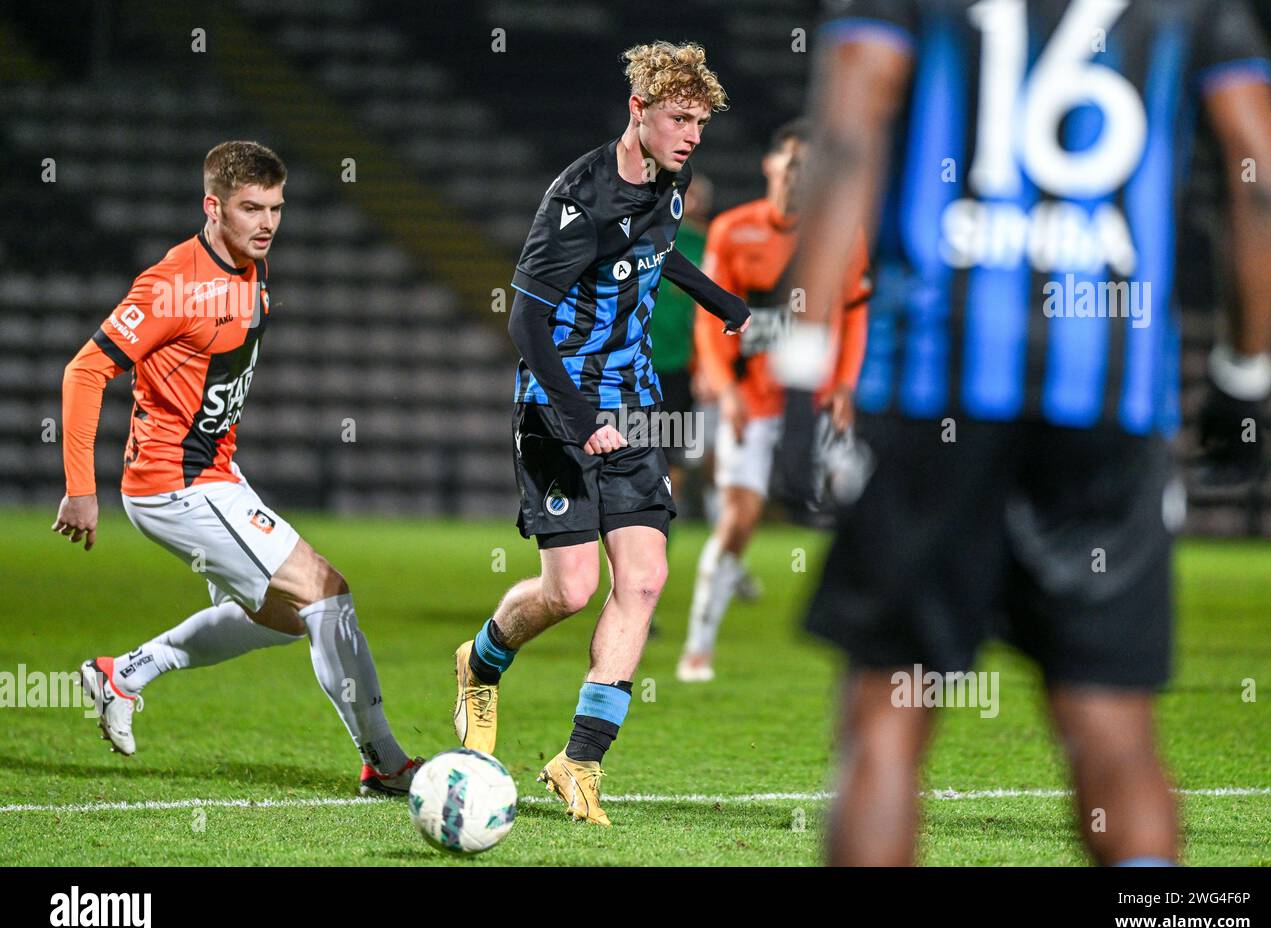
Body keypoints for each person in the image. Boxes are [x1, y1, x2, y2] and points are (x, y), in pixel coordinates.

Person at [783, 0, 1271, 865]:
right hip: (1109, 400)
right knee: (1112, 722)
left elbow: (846, 128)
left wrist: (801, 362)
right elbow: (1262, 177)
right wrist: (1243, 377)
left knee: (887, 713)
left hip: (934, 385)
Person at [54, 141, 421, 797]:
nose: (266, 223)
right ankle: (387, 763)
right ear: (211, 206)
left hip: (215, 472)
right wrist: (80, 491)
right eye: (250, 208)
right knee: (328, 596)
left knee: (284, 620)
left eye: (275, 208)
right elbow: (85, 370)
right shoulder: (172, 285)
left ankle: (123, 675)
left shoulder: (249, 264)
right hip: (177, 483)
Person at [452, 41, 750, 826]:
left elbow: (654, 255)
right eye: (678, 119)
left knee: (644, 580)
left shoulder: (668, 179)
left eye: (700, 123)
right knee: (572, 590)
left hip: (638, 407)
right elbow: (525, 320)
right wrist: (582, 425)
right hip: (559, 414)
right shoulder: (577, 201)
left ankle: (579, 760)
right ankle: (479, 666)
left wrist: (725, 304)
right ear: (637, 113)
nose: (691, 135)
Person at [677, 118, 868, 682]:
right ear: (770, 165)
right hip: (754, 401)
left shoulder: (840, 234)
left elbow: (856, 313)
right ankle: (698, 646)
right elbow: (708, 319)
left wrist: (847, 384)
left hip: (815, 402)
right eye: (792, 162)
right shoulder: (734, 231)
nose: (800, 174)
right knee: (739, 519)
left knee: (868, 509)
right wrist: (726, 387)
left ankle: (867, 646)